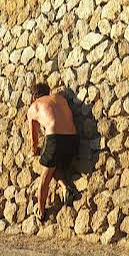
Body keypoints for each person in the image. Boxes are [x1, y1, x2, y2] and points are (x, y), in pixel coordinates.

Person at [27, 81, 80, 222]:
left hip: (55, 138)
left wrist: (33, 151)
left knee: (46, 174)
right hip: (73, 140)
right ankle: (65, 187)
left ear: (33, 97)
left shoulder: (34, 106)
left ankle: (41, 210)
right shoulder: (59, 98)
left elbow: (34, 141)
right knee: (53, 163)